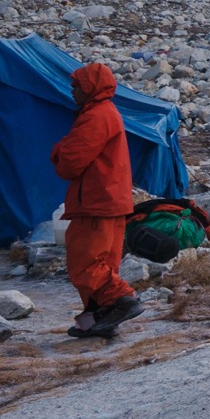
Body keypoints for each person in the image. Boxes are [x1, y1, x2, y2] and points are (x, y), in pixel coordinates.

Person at [52, 61, 141, 338]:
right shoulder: (107, 113)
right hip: (111, 202)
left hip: (95, 203)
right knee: (102, 265)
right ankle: (99, 321)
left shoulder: (96, 116)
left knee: (86, 265)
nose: (72, 92)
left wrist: (58, 149)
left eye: (76, 86)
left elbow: (69, 163)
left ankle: (124, 299)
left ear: (89, 87)